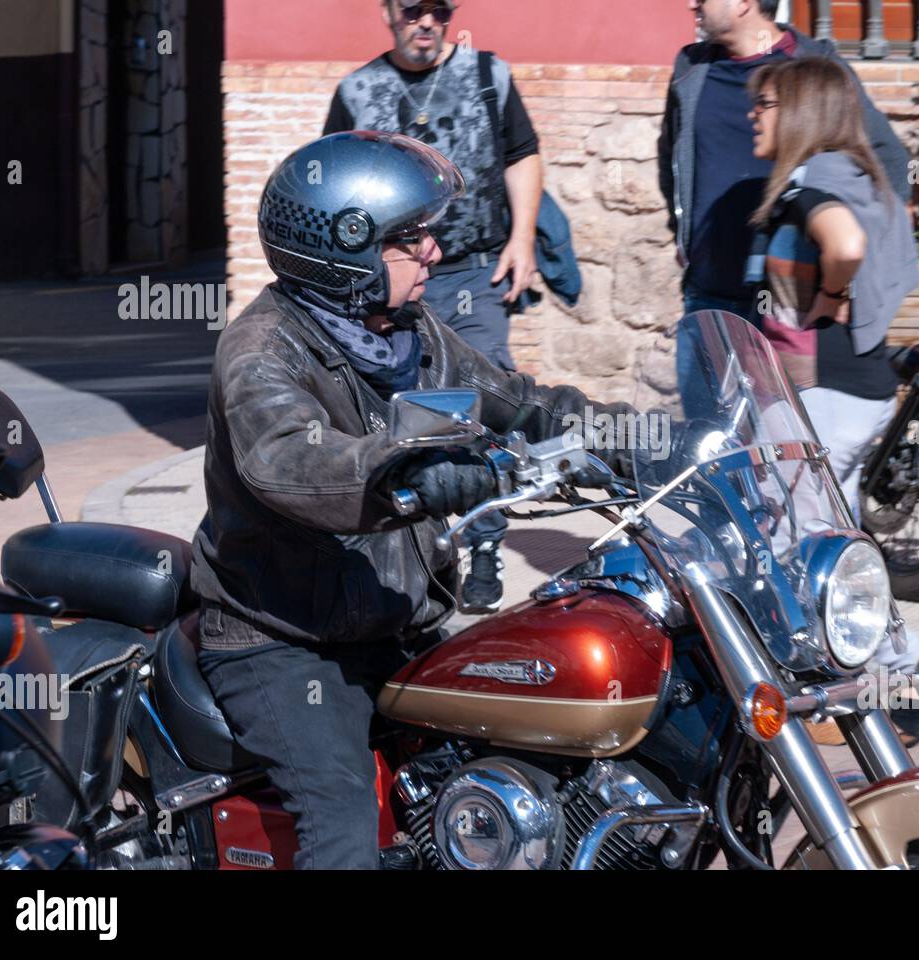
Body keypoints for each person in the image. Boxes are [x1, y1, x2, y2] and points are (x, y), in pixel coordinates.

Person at [190, 132, 629, 868]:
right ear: (345, 249)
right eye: (409, 238)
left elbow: (516, 403)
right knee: (344, 819)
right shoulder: (262, 350)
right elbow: (297, 465)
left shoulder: (407, 335)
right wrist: (406, 476)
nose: (433, 251)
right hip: (281, 639)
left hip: (392, 621)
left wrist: (632, 434)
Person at [323, 0, 545, 612]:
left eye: (440, 10)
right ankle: (415, 545)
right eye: (414, 9)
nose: (427, 22)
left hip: (472, 270)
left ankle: (486, 547)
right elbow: (334, 181)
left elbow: (522, 152)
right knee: (403, 412)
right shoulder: (358, 90)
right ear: (388, 11)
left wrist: (522, 237)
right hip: (387, 283)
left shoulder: (487, 74)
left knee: (479, 408)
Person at [744, 57, 919, 732]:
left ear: (800, 112)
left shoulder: (813, 181)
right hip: (857, 387)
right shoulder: (858, 173)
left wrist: (829, 296)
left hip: (819, 393)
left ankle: (883, 668)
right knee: (837, 537)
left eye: (765, 104)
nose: (753, 115)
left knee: (805, 542)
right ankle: (898, 666)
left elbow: (846, 244)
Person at [658, 0, 910, 319]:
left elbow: (887, 157)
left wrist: (845, 280)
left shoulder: (813, 67)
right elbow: (671, 158)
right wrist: (683, 235)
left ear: (743, 4)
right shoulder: (691, 69)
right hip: (708, 292)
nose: (692, 4)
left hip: (790, 305)